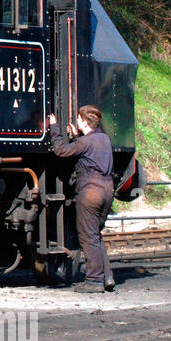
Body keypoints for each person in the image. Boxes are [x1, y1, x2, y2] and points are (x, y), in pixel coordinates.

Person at [47, 105, 115, 292]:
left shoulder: (86, 142)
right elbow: (89, 151)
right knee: (96, 235)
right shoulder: (104, 139)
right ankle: (107, 276)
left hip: (90, 190)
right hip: (108, 190)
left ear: (85, 122)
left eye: (78, 119)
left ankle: (93, 281)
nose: (77, 121)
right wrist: (77, 135)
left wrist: (54, 128)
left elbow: (61, 150)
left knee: (87, 237)